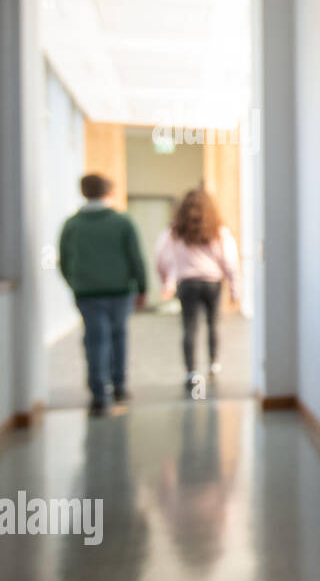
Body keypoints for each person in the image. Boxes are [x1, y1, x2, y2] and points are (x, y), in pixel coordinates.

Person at [58, 174, 148, 415]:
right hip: (120, 292)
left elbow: (64, 262)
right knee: (118, 337)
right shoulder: (122, 222)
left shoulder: (72, 225)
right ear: (109, 191)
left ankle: (99, 393)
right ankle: (118, 386)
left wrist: (76, 283)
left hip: (87, 293)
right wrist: (142, 287)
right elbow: (135, 258)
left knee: (95, 341)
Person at [154, 189, 241, 393]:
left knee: (189, 328)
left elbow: (162, 257)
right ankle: (213, 364)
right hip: (212, 283)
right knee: (213, 323)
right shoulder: (218, 230)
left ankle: (192, 372)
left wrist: (167, 282)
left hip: (188, 284)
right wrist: (235, 288)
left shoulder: (175, 231)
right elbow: (229, 260)